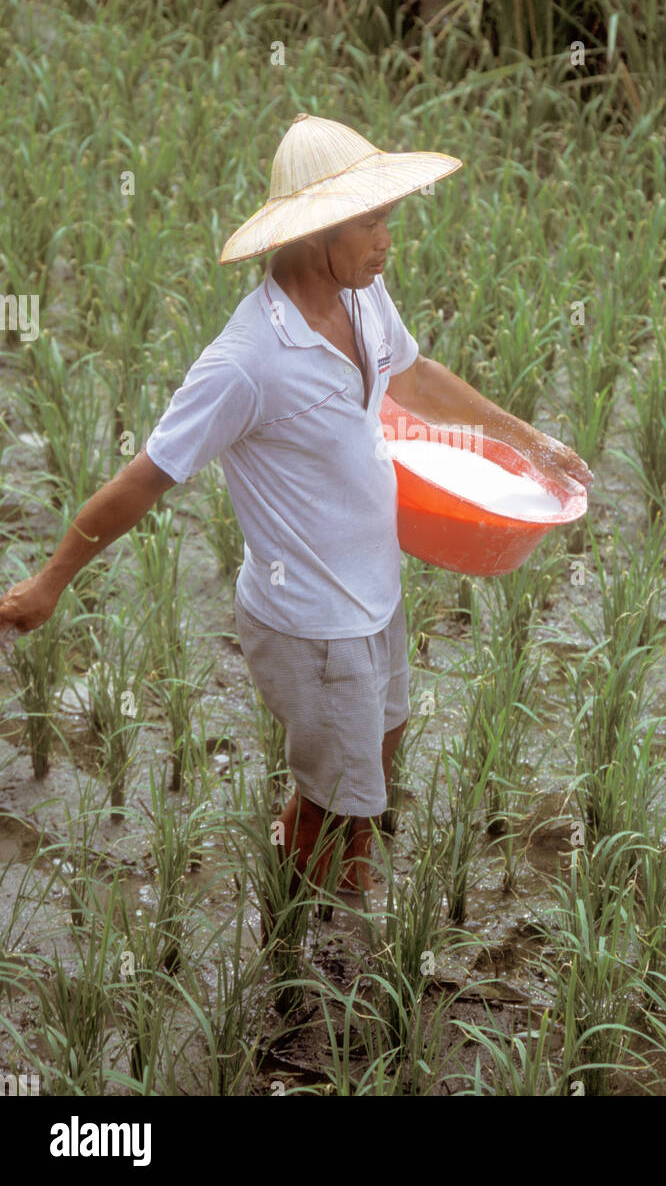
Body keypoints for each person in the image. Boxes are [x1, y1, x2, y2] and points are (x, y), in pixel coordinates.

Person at [0, 113, 593, 918]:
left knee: (370, 759)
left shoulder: (363, 296)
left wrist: (528, 441)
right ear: (317, 232)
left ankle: (327, 890)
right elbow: (143, 480)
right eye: (371, 223)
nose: (387, 241)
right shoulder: (246, 362)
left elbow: (414, 378)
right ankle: (303, 940)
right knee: (336, 800)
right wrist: (49, 582)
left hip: (373, 594)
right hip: (311, 621)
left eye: (387, 219)